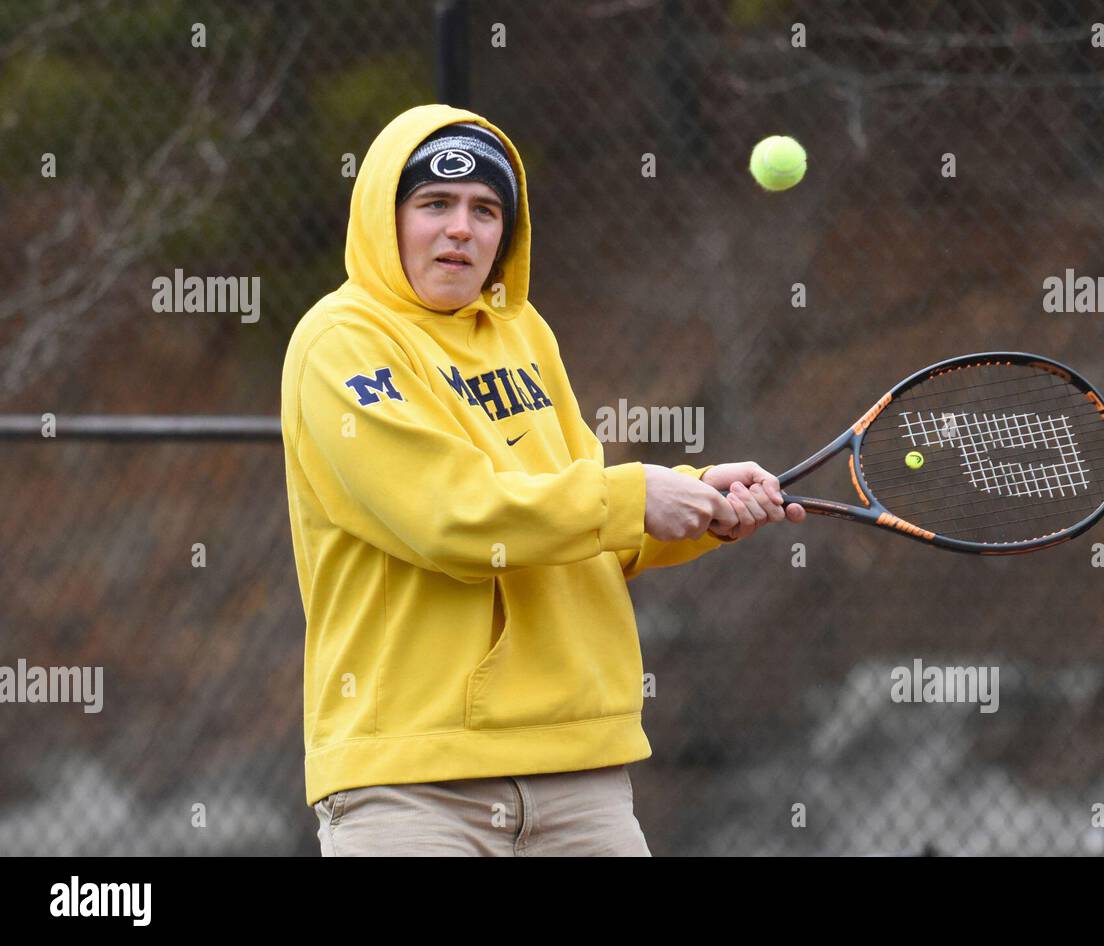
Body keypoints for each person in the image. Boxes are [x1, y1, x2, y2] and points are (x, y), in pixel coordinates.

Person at [280, 104, 805, 856]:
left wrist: (699, 503)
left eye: (485, 210)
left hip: (579, 778)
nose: (461, 228)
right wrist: (633, 497)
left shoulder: (526, 335)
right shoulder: (340, 343)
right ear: (383, 218)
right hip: (412, 785)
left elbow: (579, 523)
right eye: (434, 204)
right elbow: (450, 519)